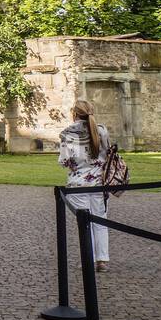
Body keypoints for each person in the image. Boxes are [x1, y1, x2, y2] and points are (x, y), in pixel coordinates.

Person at [59, 99, 113, 272]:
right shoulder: (102, 131)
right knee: (100, 221)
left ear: (74, 114)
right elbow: (109, 154)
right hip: (99, 184)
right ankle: (102, 260)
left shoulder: (67, 134)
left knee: (84, 223)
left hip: (78, 185)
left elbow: (64, 161)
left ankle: (87, 259)